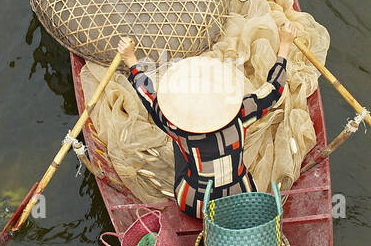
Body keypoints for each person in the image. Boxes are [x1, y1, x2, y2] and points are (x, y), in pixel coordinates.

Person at [117, 23, 296, 219]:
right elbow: (275, 88)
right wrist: (285, 44)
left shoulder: (175, 126)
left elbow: (148, 95)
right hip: (242, 197)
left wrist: (130, 59)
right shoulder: (242, 111)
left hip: (195, 205)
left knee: (179, 143)